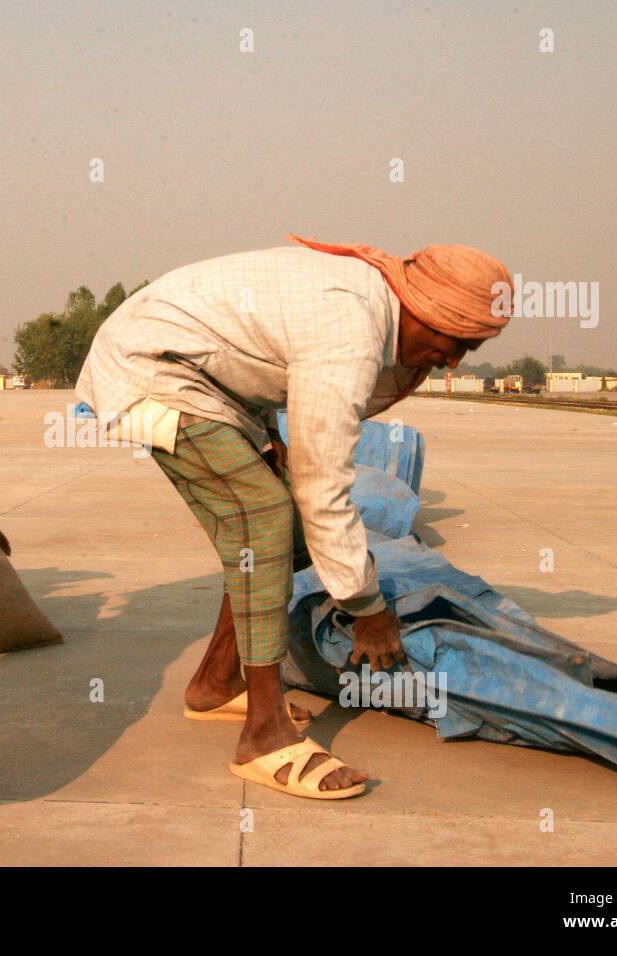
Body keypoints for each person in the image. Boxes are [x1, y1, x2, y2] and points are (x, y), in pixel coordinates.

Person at [76, 236, 512, 799]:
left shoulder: (371, 307)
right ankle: (264, 735)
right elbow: (323, 486)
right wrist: (366, 607)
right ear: (417, 308)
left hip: (210, 382)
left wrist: (269, 438)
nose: (453, 360)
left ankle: (216, 682)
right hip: (150, 371)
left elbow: (264, 359)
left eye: (469, 351)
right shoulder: (350, 332)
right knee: (263, 518)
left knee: (289, 533)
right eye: (452, 341)